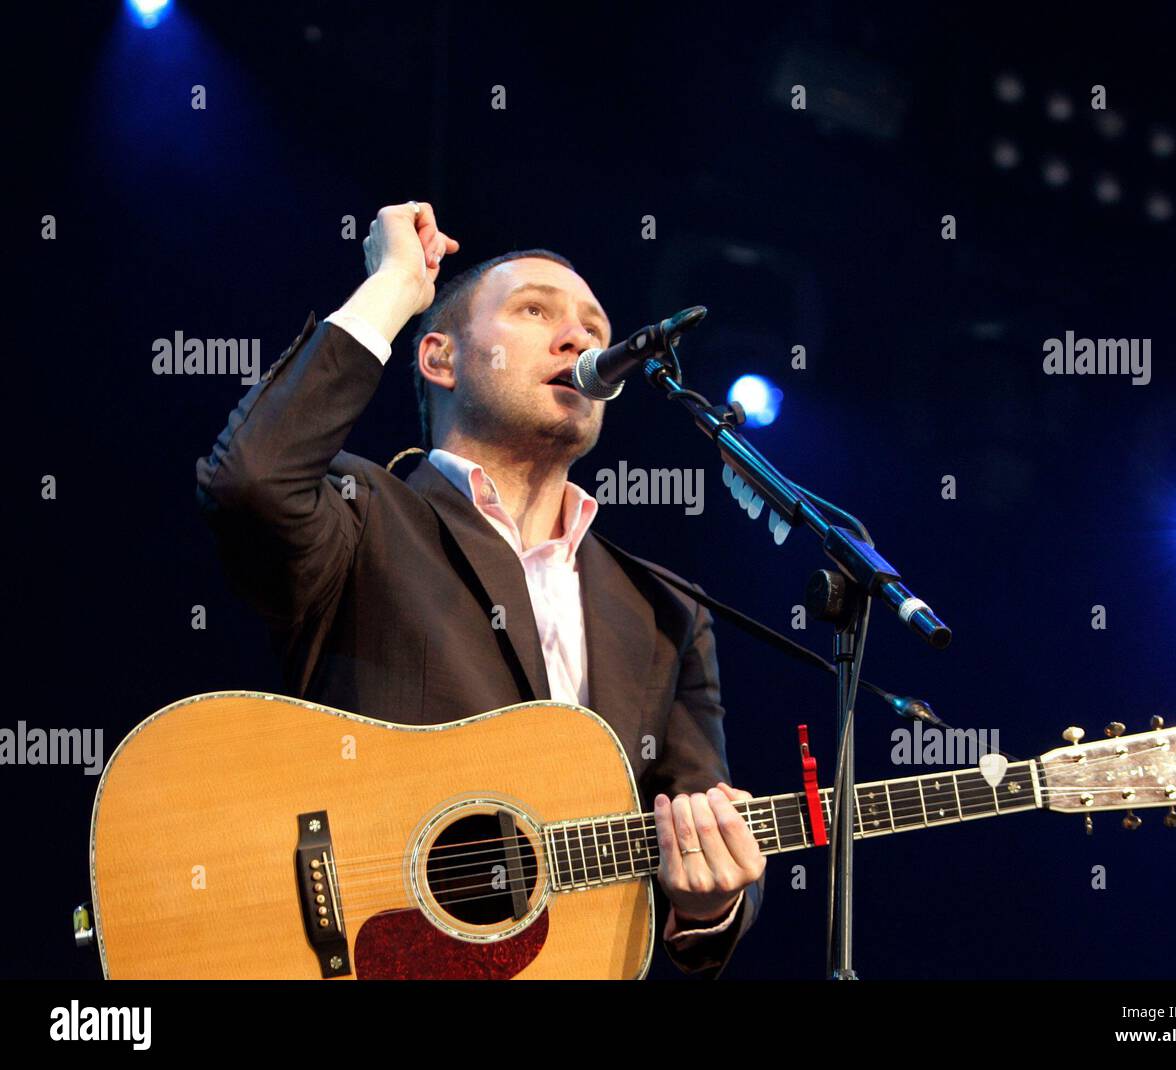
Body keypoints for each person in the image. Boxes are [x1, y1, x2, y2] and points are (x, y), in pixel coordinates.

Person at [196, 201, 765, 977]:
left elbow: (704, 830)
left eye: (595, 328)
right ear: (439, 359)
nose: (581, 338)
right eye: (536, 310)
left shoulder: (666, 609)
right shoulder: (365, 515)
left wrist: (714, 901)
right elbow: (251, 479)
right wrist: (396, 287)